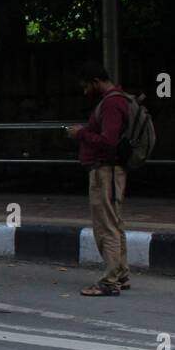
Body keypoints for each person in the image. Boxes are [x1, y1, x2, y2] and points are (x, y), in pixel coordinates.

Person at [69, 61, 133, 297]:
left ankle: (109, 281)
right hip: (109, 170)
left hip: (105, 171)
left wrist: (81, 133)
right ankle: (121, 274)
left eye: (86, 86)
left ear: (96, 82)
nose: (85, 92)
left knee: (105, 227)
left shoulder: (112, 103)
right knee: (114, 223)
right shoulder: (117, 100)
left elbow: (108, 142)